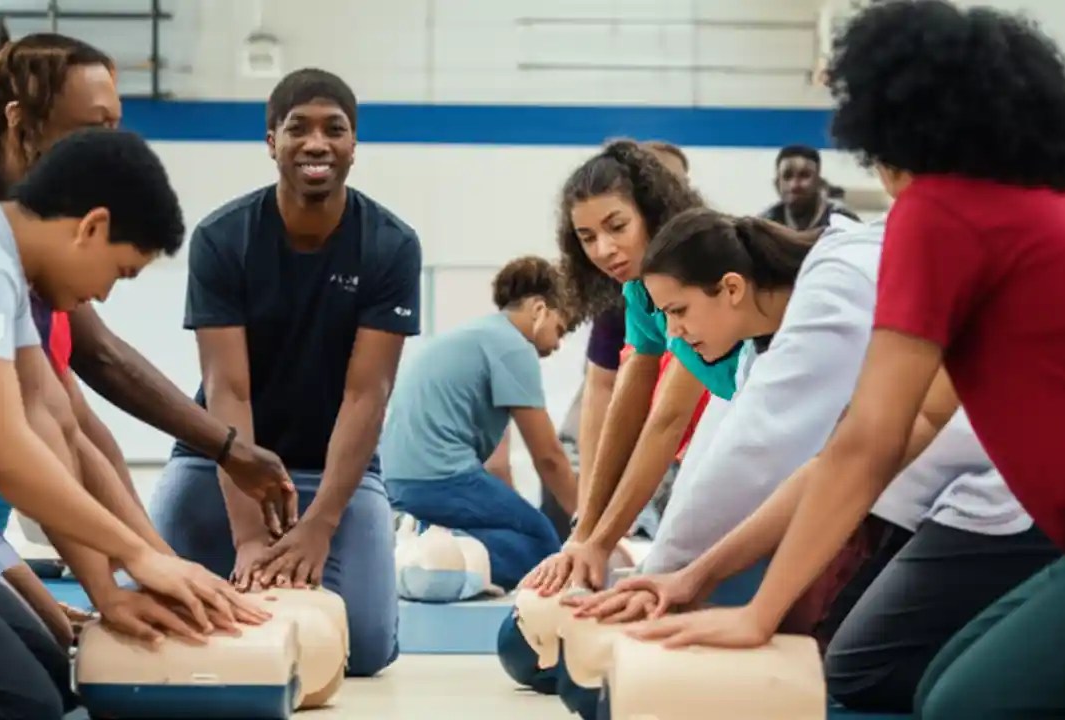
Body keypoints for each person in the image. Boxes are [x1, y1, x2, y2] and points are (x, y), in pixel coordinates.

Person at [626, 2, 1065, 718]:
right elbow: (899, 432)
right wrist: (699, 574)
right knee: (939, 686)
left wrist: (758, 613)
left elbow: (866, 442)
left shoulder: (940, 214)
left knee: (966, 705)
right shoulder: (1037, 202)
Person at [0, 30, 288, 645]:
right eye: (93, 127)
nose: (110, 147)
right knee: (17, 688)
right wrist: (141, 557)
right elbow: (25, 425)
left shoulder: (18, 251)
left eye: (116, 126)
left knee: (47, 661)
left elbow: (65, 421)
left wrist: (140, 573)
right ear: (22, 126)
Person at [569, 209, 1059, 713]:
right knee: (844, 647)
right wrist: (672, 572)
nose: (673, 333)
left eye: (679, 311)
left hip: (1022, 490)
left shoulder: (834, 293)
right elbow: (823, 460)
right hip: (936, 485)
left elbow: (755, 455)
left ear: (732, 287)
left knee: (868, 671)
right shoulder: (778, 326)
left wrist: (679, 574)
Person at [150, 67, 421, 678]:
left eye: (335, 129)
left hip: (334, 467)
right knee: (161, 619)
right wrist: (248, 536)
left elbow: (366, 394)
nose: (317, 143)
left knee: (367, 651)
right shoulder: (224, 238)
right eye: (298, 128)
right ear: (271, 141)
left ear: (355, 145)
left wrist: (321, 523)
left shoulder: (390, 246)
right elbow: (228, 389)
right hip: (218, 457)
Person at [521, 140, 741, 595]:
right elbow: (627, 400)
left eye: (617, 226)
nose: (604, 250)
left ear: (651, 211)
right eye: (586, 238)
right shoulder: (639, 293)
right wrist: (584, 532)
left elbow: (666, 418)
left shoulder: (701, 270)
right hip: (738, 436)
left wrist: (598, 543)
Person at [382, 256, 577, 590]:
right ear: (539, 308)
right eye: (561, 329)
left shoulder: (477, 336)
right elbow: (549, 457)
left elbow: (497, 464)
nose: (559, 344)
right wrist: (589, 527)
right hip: (439, 477)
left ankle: (426, 543)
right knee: (543, 543)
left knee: (517, 528)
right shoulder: (515, 347)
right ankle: (432, 554)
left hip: (398, 478)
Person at [759, 145, 859, 230]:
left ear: (819, 182)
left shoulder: (844, 221)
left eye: (804, 175)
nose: (795, 185)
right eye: (787, 176)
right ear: (777, 184)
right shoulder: (764, 226)